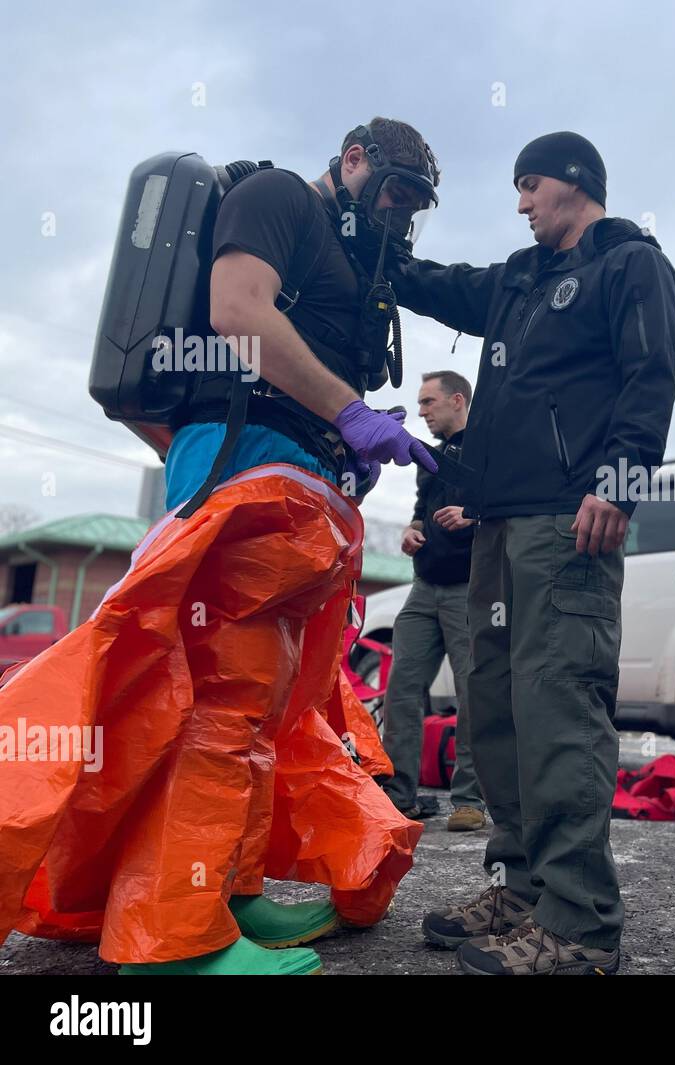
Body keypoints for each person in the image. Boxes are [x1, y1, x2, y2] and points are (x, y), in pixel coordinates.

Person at [0, 118, 440, 976]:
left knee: (259, 711)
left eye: (415, 204)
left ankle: (227, 892)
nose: (400, 212)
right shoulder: (280, 199)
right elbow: (235, 311)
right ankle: (172, 935)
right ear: (350, 160)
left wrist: (342, 443)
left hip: (289, 489)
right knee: (216, 706)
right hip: (251, 477)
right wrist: (346, 412)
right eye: (394, 189)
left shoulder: (343, 254)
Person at [388, 131, 675, 975]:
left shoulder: (630, 265)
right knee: (498, 708)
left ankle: (582, 925)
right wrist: (374, 248)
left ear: (576, 184)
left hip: (569, 520)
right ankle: (521, 890)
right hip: (496, 525)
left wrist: (617, 484)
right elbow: (443, 286)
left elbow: (650, 376)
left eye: (531, 186)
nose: (520, 204)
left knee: (557, 710)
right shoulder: (521, 279)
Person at [383, 370, 487, 829]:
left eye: (428, 402)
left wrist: (475, 514)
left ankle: (469, 800)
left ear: (458, 401)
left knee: (473, 694)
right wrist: (412, 531)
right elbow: (420, 516)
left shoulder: (492, 447)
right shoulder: (429, 458)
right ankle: (398, 794)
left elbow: (517, 506)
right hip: (424, 589)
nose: (421, 412)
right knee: (401, 689)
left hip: (471, 590)